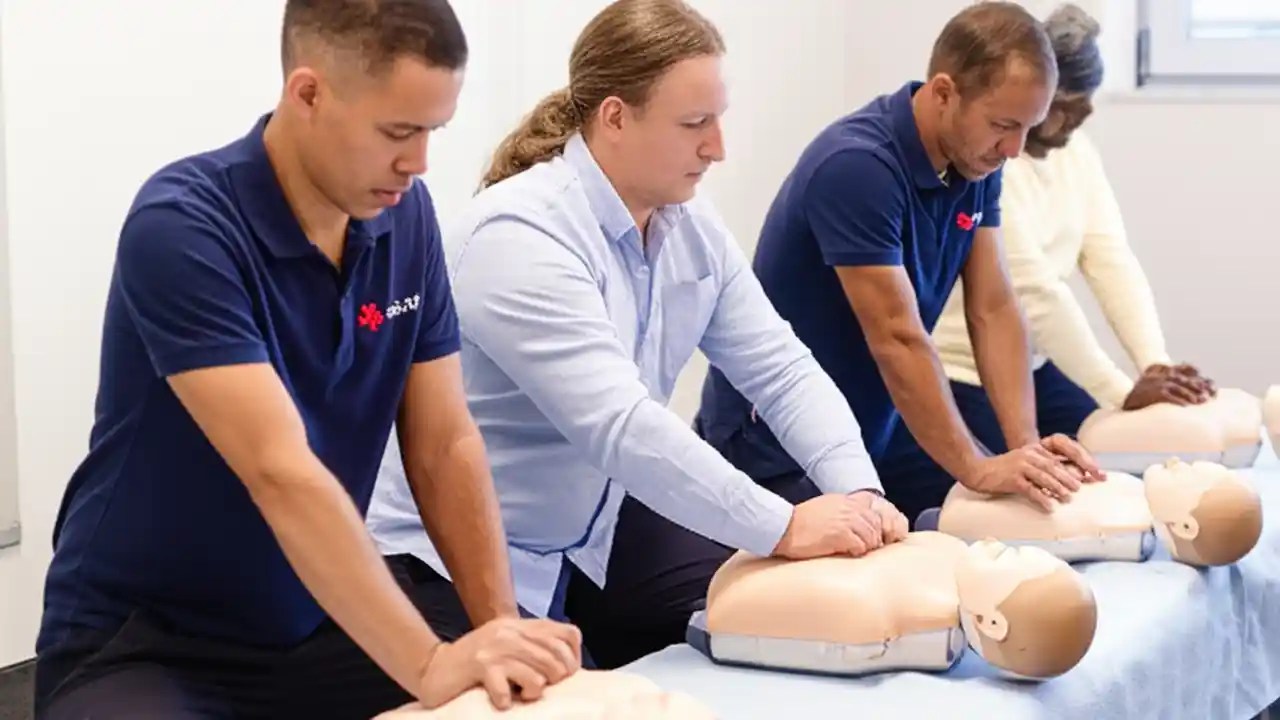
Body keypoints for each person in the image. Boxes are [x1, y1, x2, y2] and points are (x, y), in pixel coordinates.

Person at [33, 2, 582, 718]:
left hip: (315, 622)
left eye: (431, 133)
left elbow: (445, 445)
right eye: (398, 132)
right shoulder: (182, 226)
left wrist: (498, 630)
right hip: (149, 644)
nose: (418, 163)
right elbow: (280, 471)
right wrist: (429, 663)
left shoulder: (405, 219)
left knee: (548, 690)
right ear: (308, 94)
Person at [368, 0, 908, 672]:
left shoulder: (689, 226)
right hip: (453, 555)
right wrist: (786, 524)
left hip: (597, 526)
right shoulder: (519, 235)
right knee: (570, 696)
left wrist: (860, 491)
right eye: (694, 124)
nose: (718, 147)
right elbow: (619, 426)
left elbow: (780, 367)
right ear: (615, 117)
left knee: (792, 610)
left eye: (718, 119)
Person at [694, 1, 1105, 529]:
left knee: (1013, 518)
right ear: (942, 93)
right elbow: (897, 337)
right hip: (772, 448)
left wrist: (1023, 447)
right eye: (1004, 126)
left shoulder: (976, 162)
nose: (1015, 149)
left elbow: (994, 306)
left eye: (1027, 128)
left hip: (871, 428)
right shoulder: (857, 167)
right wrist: (978, 468)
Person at [930, 2, 1216, 448]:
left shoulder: (1077, 154)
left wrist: (1154, 365)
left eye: (1085, 106)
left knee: (1108, 459)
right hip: (964, 373)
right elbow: (1037, 293)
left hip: (1035, 365)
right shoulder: (988, 167)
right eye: (1064, 107)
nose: (1078, 120)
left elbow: (1110, 259)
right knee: (1033, 490)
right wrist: (1120, 391)